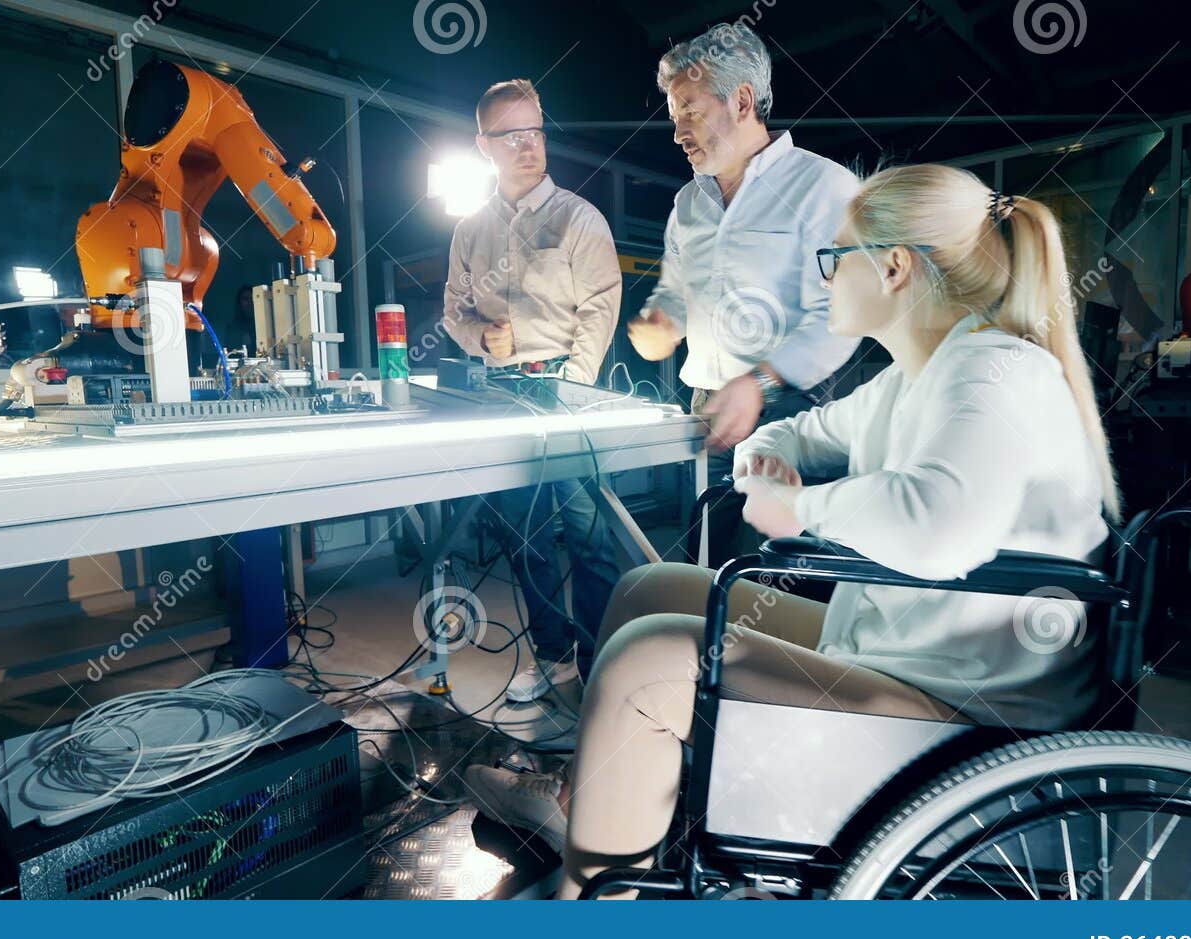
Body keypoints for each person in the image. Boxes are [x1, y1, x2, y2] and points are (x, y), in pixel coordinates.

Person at [464, 163, 1121, 897]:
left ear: (895, 267)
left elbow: (942, 531)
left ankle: (589, 909)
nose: (824, 279)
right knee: (651, 589)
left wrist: (800, 511)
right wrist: (767, 469)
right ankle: (588, 811)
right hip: (909, 647)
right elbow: (796, 435)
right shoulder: (917, 375)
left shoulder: (994, 372)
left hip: (967, 704)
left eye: (835, 257)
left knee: (649, 663)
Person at [627, 21, 862, 564]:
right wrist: (663, 321)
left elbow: (840, 317)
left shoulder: (825, 188)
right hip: (704, 414)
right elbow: (676, 296)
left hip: (790, 417)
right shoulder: (688, 203)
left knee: (766, 582)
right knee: (706, 563)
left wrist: (758, 381)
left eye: (690, 109)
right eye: (673, 114)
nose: (678, 130)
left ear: (741, 100)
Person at [441, 79, 623, 702]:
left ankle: (602, 661)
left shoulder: (578, 218)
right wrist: (477, 337)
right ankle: (554, 655)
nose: (528, 147)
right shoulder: (470, 230)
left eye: (536, 132)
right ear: (482, 145)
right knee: (525, 539)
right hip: (502, 396)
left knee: (594, 538)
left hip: (564, 393)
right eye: (511, 136)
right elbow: (452, 312)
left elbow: (601, 308)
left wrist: (571, 391)